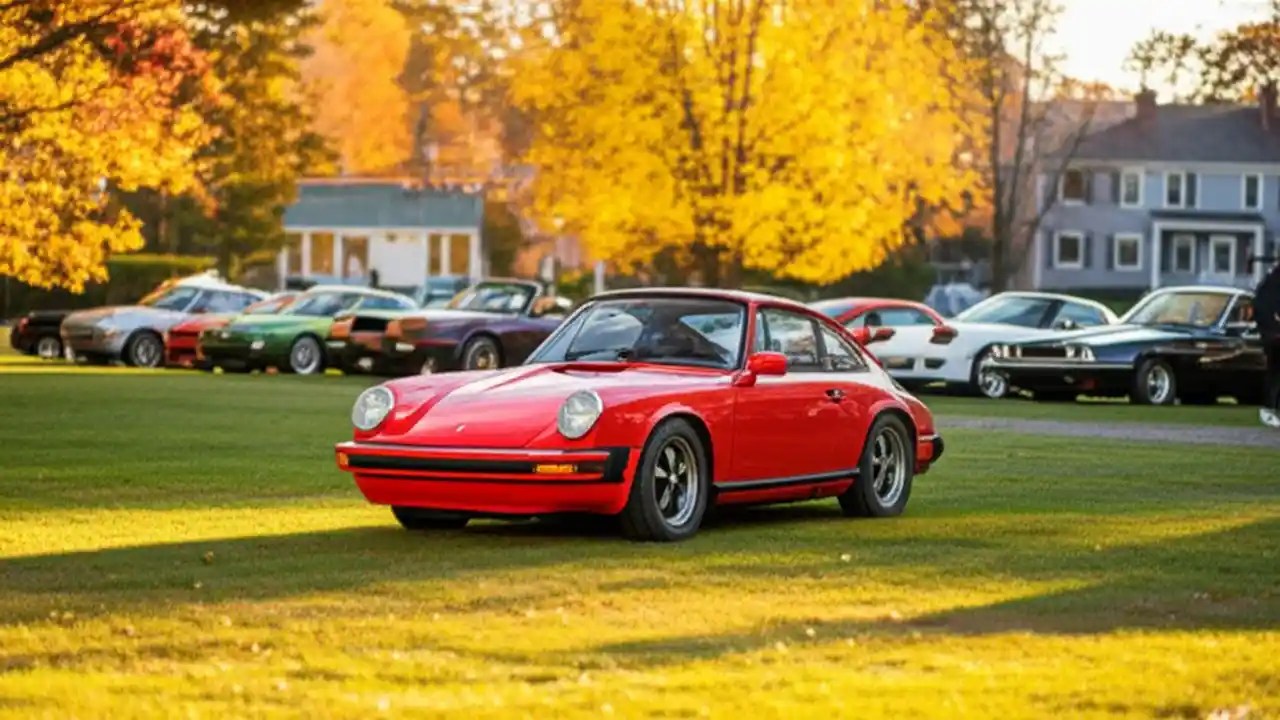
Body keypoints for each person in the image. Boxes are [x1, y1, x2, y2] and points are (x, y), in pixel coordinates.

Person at [1256, 257, 1280, 428]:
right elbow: (1264, 308)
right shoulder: (1273, 281)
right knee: (1275, 372)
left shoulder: (1270, 280)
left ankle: (1271, 408)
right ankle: (1268, 408)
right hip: (1274, 334)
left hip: (1272, 332)